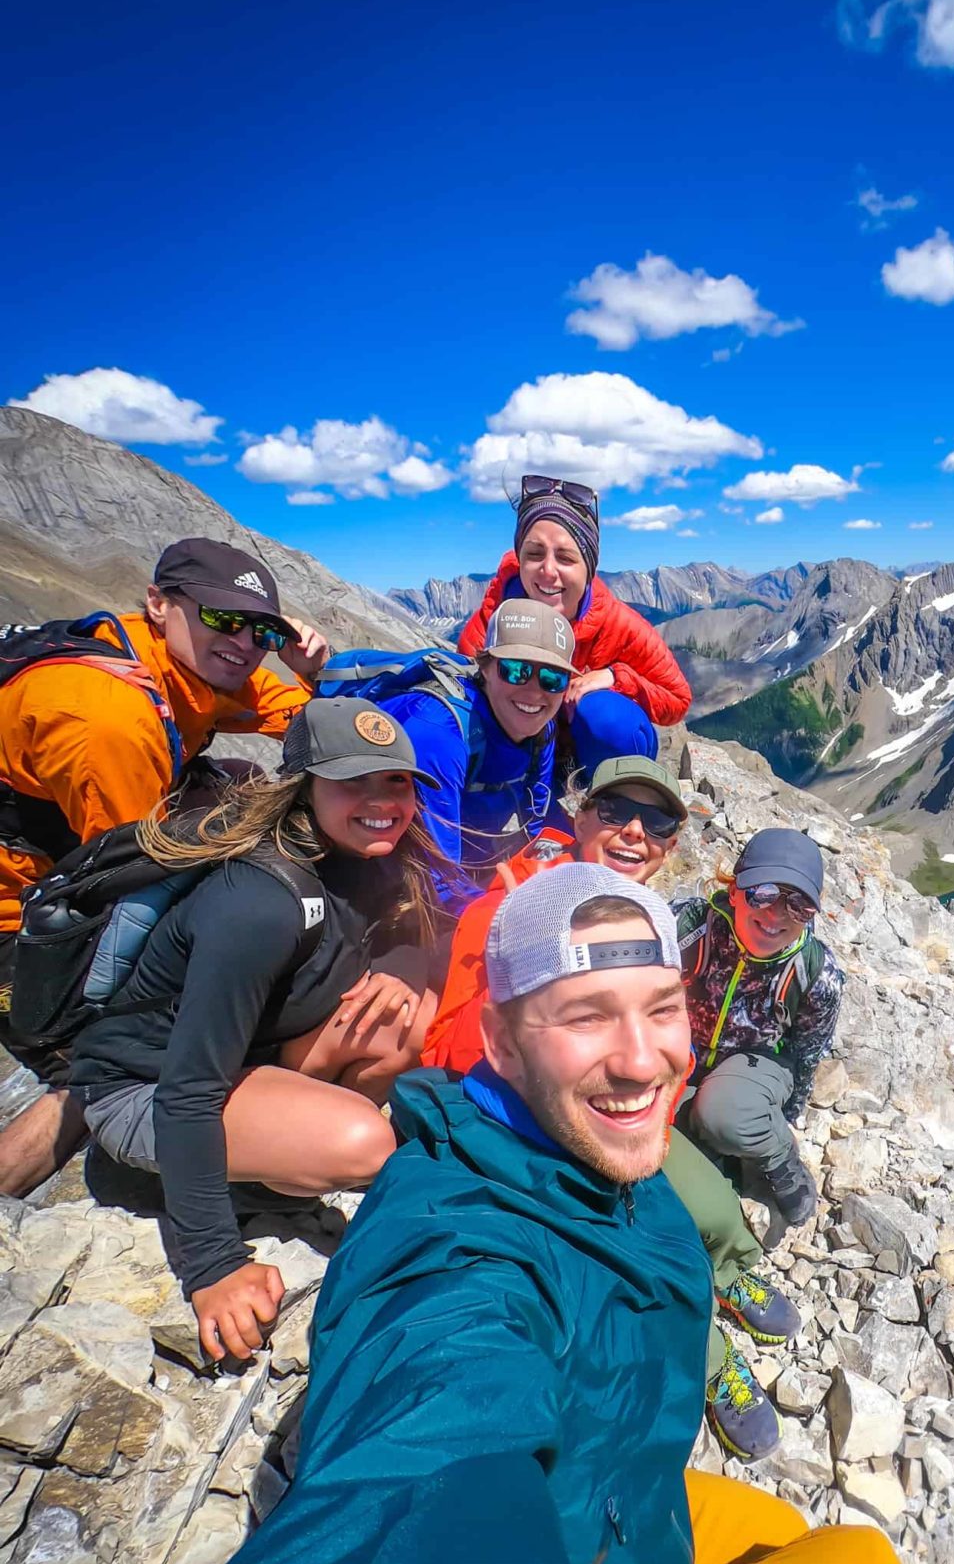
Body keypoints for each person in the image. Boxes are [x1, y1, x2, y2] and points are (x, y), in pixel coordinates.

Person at [0, 866, 907, 1564]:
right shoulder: (454, 1249)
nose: (641, 1056)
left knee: (770, 1534)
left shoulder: (593, 1158)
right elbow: (432, 1477)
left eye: (661, 1008)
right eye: (585, 1016)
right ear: (503, 1035)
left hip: (611, 1501)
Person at [425, 753, 798, 1462]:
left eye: (656, 821)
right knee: (650, 1251)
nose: (634, 832)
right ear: (578, 816)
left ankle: (731, 1266)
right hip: (538, 1129)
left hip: (624, 1109)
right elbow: (449, 1042)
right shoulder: (509, 905)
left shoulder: (651, 920)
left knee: (713, 1207)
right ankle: (710, 1357)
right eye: (614, 813)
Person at [67, 698, 442, 1363]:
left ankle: (267, 1162)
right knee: (363, 1142)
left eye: (396, 781)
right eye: (352, 781)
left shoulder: (369, 856)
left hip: (251, 1057)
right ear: (303, 785)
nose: (381, 800)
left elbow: (422, 935)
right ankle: (180, 1182)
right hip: (146, 1090)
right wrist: (211, 1266)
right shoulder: (259, 903)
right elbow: (188, 1090)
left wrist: (402, 970)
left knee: (406, 1025)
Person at [0, 538, 329, 1196]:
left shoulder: (199, 666)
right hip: (21, 926)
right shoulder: (109, 716)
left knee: (235, 786)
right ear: (159, 603)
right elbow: (135, 873)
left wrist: (311, 673)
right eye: (222, 617)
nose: (244, 640)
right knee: (122, 1049)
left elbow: (310, 723)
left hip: (70, 867)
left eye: (262, 629)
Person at [336, 597, 575, 901]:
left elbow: (539, 820)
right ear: (485, 667)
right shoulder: (439, 734)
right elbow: (436, 876)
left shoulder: (543, 727)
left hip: (465, 844)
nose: (534, 690)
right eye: (516, 670)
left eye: (553, 678)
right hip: (379, 859)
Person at [457, 474, 691, 776]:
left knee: (607, 718)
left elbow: (678, 700)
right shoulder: (495, 618)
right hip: (522, 753)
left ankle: (607, 802)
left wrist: (613, 676)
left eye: (566, 558)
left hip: (582, 755)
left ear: (589, 568)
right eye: (534, 554)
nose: (548, 571)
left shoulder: (617, 623)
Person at [673, 827, 843, 1228]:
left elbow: (807, 1050)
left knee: (724, 1116)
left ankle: (778, 1158)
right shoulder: (688, 925)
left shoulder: (816, 973)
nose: (776, 914)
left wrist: (779, 1121)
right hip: (681, 1049)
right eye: (762, 892)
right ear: (734, 890)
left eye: (798, 905)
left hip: (757, 1062)